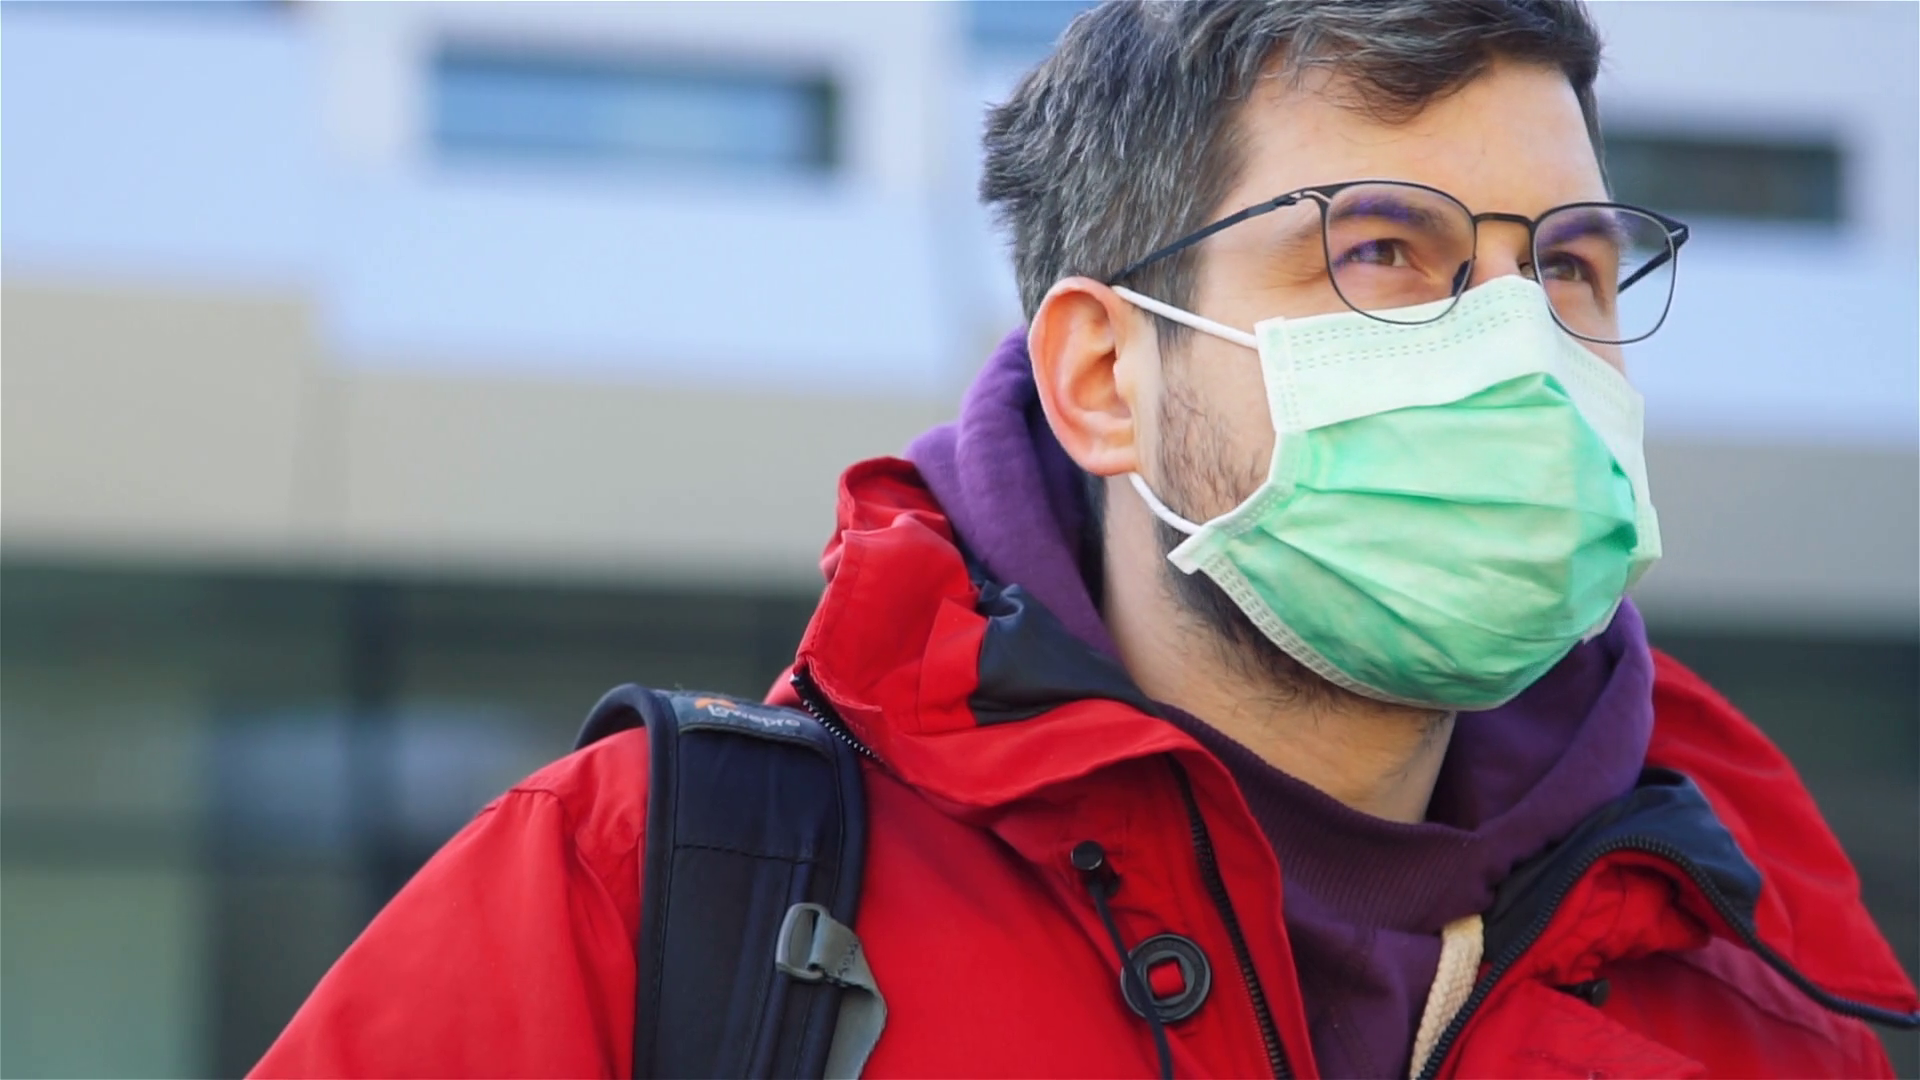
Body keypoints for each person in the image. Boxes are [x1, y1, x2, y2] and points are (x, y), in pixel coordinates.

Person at [254, 1, 1918, 1076]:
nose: (1519, 349)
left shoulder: (1767, 999)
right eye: (1384, 252)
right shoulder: (647, 896)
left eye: (1565, 267)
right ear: (1105, 375)